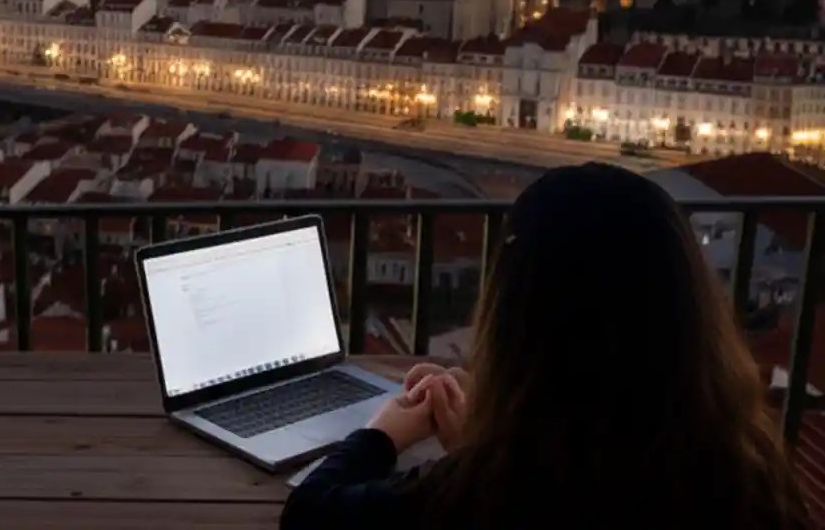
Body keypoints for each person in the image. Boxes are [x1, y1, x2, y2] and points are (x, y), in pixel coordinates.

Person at [282, 163, 808, 530]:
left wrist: (386, 432)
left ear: (515, 321)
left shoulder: (492, 493)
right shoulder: (750, 480)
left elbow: (310, 515)